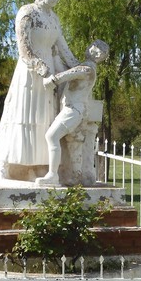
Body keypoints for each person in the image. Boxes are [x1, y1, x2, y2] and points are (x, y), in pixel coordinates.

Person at [0, 0, 79, 182]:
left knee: (43, 119)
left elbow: (62, 47)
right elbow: (24, 48)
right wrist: (41, 68)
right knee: (22, 115)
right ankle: (7, 164)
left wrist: (79, 67)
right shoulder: (27, 12)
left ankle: (36, 165)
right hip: (30, 72)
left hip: (49, 75)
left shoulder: (53, 18)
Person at [35, 40, 109, 187]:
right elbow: (68, 69)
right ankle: (67, 175)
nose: (89, 47)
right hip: (71, 109)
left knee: (52, 136)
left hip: (73, 111)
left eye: (93, 47)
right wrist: (56, 55)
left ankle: (52, 175)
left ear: (98, 54)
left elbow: (69, 74)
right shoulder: (85, 67)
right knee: (61, 140)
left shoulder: (87, 69)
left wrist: (52, 80)